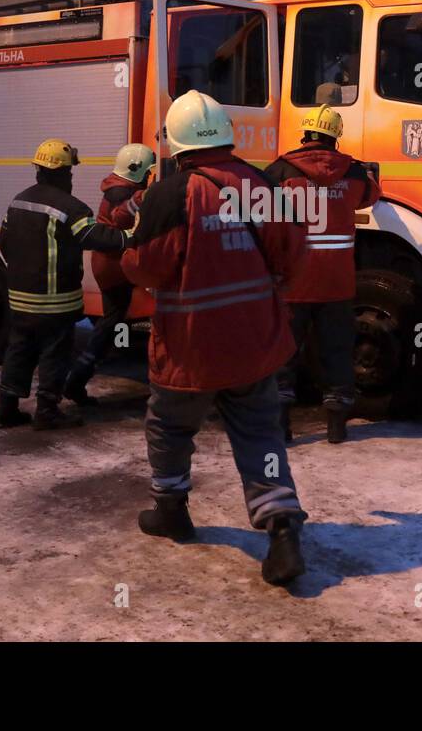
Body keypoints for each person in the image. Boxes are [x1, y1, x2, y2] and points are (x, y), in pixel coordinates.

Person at [121, 90, 309, 586]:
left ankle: (171, 509)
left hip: (190, 348)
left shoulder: (170, 193)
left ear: (177, 144)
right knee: (260, 433)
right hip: (254, 341)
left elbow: (144, 267)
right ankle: (283, 529)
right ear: (226, 134)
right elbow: (291, 252)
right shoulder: (263, 185)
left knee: (169, 425)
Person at [0, 139, 131, 431]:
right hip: (56, 301)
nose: (71, 178)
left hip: (20, 298)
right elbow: (95, 238)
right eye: (69, 173)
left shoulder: (18, 200)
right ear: (60, 173)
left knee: (20, 348)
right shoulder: (71, 208)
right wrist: (130, 237)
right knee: (54, 352)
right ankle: (47, 411)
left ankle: (6, 408)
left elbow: (4, 243)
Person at [265, 105, 380, 443]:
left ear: (306, 132)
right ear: (335, 136)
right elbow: (371, 196)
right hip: (337, 283)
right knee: (337, 352)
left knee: (285, 353)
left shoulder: (280, 170)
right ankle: (336, 425)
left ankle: (282, 425)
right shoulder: (354, 173)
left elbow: (260, 206)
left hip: (292, 282)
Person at [63, 143, 155, 406]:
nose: (149, 176)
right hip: (115, 267)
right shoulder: (121, 192)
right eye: (147, 172)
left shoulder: (120, 187)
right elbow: (120, 217)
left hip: (110, 266)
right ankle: (76, 380)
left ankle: (78, 378)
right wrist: (139, 202)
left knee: (112, 323)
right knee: (111, 324)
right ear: (137, 169)